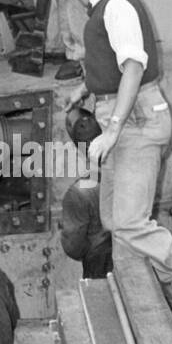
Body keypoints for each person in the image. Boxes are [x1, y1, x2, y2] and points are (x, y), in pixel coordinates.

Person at [52, 0, 172, 330]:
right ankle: (136, 287)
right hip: (123, 117)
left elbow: (134, 66)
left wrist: (113, 129)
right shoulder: (104, 9)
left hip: (135, 122)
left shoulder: (117, 6)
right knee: (111, 217)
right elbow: (115, 64)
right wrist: (86, 88)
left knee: (129, 222)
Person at [60, 105, 112, 278]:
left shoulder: (80, 192)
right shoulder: (133, 169)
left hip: (101, 267)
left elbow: (73, 248)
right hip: (137, 257)